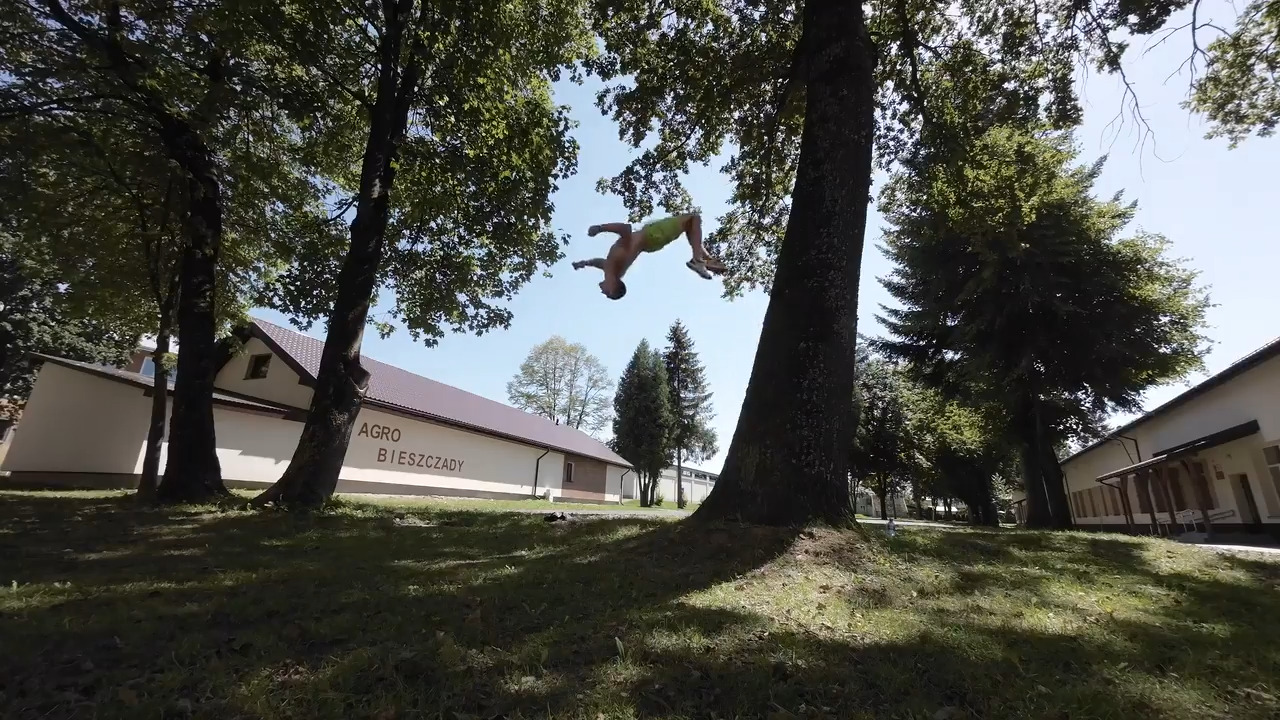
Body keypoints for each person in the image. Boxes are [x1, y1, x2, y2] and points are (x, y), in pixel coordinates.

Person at [571, 212, 725, 300]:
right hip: (653, 235)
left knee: (690, 224)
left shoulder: (612, 269)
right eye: (607, 294)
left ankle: (705, 259)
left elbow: (601, 263)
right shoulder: (617, 264)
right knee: (693, 218)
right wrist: (600, 228)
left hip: (652, 240)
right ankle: (698, 260)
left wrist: (584, 263)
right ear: (613, 287)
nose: (603, 293)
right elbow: (626, 229)